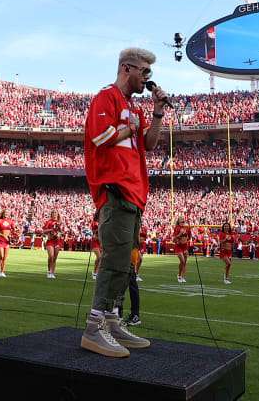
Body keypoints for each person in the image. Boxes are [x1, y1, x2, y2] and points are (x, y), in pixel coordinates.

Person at [80, 47, 165, 358]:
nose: (148, 78)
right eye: (144, 72)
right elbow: (100, 138)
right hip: (114, 188)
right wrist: (130, 126)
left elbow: (150, 144)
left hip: (134, 190)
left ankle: (113, 320)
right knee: (114, 260)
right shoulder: (107, 97)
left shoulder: (135, 107)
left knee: (126, 263)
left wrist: (156, 113)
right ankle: (94, 325)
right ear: (127, 69)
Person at [43, 209, 64, 278]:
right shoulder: (49, 222)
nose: (54, 214)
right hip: (50, 241)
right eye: (53, 212)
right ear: (51, 214)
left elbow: (62, 232)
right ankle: (49, 271)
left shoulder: (60, 222)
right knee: (51, 256)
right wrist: (51, 230)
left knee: (55, 258)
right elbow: (44, 231)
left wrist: (60, 233)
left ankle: (52, 273)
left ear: (58, 214)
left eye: (56, 212)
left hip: (57, 241)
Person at [0, 208, 14, 277]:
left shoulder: (10, 221)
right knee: (1, 256)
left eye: (8, 213)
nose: (7, 214)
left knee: (5, 257)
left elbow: (14, 230)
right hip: (0, 240)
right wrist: (3, 236)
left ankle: (3, 271)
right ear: (3, 213)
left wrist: (17, 233)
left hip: (7, 240)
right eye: (5, 213)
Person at [172, 216, 192, 283]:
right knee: (182, 261)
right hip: (178, 246)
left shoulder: (187, 227)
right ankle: (179, 275)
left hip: (185, 246)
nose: (183, 219)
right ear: (179, 220)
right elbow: (175, 237)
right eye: (181, 218)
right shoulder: (177, 228)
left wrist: (187, 240)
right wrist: (180, 233)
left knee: (185, 262)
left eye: (183, 218)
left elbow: (190, 235)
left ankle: (183, 277)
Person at [89, 210, 102, 279]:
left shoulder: (105, 221)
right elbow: (93, 231)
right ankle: (95, 272)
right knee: (99, 257)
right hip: (95, 241)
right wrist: (99, 228)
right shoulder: (94, 223)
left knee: (100, 259)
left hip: (102, 242)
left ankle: (96, 272)